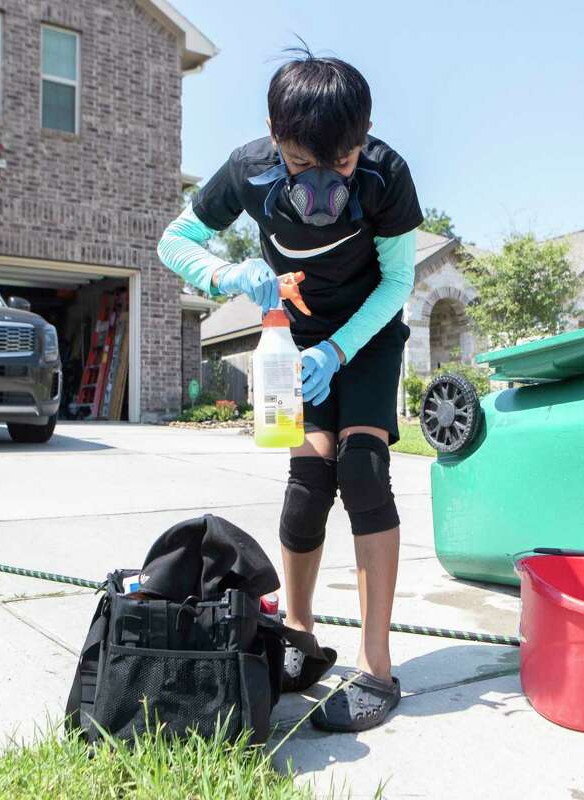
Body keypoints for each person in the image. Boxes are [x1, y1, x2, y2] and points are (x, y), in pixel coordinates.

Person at [156, 46, 422, 732]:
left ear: (362, 141)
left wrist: (339, 349)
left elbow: (396, 283)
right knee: (308, 481)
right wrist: (227, 276)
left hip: (364, 335)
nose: (327, 183)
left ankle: (376, 668)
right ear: (278, 142)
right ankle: (299, 640)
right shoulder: (248, 171)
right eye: (306, 165)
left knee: (363, 469)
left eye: (343, 163)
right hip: (292, 339)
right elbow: (174, 241)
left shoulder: (386, 175)